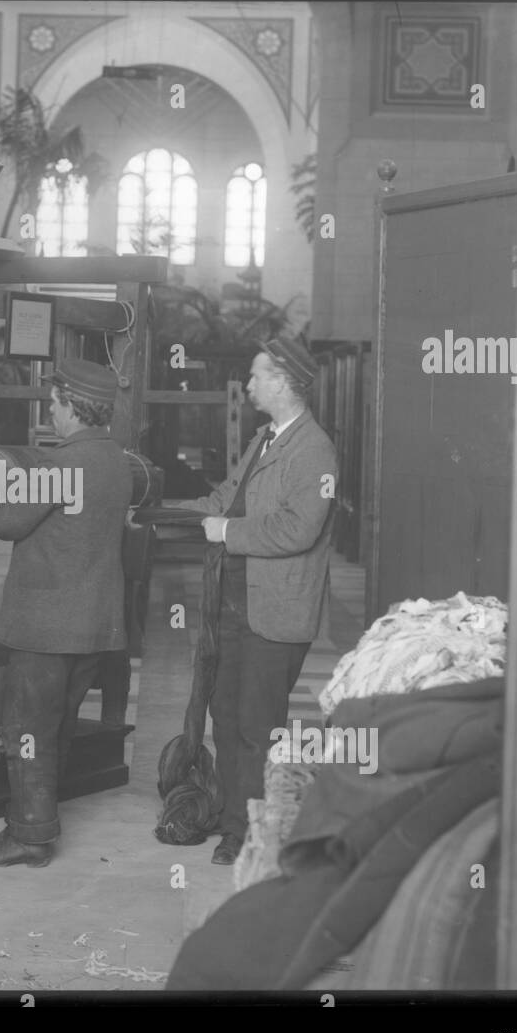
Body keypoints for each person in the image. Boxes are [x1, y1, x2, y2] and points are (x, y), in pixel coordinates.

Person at [0, 358, 131, 867]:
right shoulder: (114, 460)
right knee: (56, 728)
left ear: (72, 408)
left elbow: (6, 518)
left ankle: (30, 837)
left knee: (27, 730)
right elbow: (40, 496)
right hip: (93, 626)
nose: (50, 408)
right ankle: (36, 821)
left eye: (54, 401)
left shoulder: (65, 466)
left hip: (46, 629)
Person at [185, 338, 337, 864]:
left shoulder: (315, 450)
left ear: (285, 381)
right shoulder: (264, 442)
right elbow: (224, 498)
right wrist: (158, 510)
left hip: (276, 611)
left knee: (257, 724)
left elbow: (298, 529)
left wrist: (226, 531)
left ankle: (249, 833)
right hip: (235, 603)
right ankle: (232, 817)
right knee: (225, 715)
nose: (248, 385)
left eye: (256, 376)